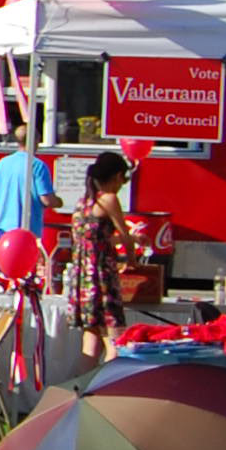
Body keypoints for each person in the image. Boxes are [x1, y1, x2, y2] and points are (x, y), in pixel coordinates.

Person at [65, 151, 134, 366]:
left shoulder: (81, 204)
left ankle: (81, 389)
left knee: (91, 343)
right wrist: (131, 260)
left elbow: (93, 240)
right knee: (116, 344)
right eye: (122, 180)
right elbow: (124, 236)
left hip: (83, 281)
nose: (121, 186)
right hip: (102, 277)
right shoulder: (109, 199)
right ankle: (106, 391)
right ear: (116, 176)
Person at [0, 118, 58, 240]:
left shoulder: (1, 163)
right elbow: (47, 200)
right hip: (25, 229)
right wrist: (59, 201)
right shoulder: (37, 165)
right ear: (35, 140)